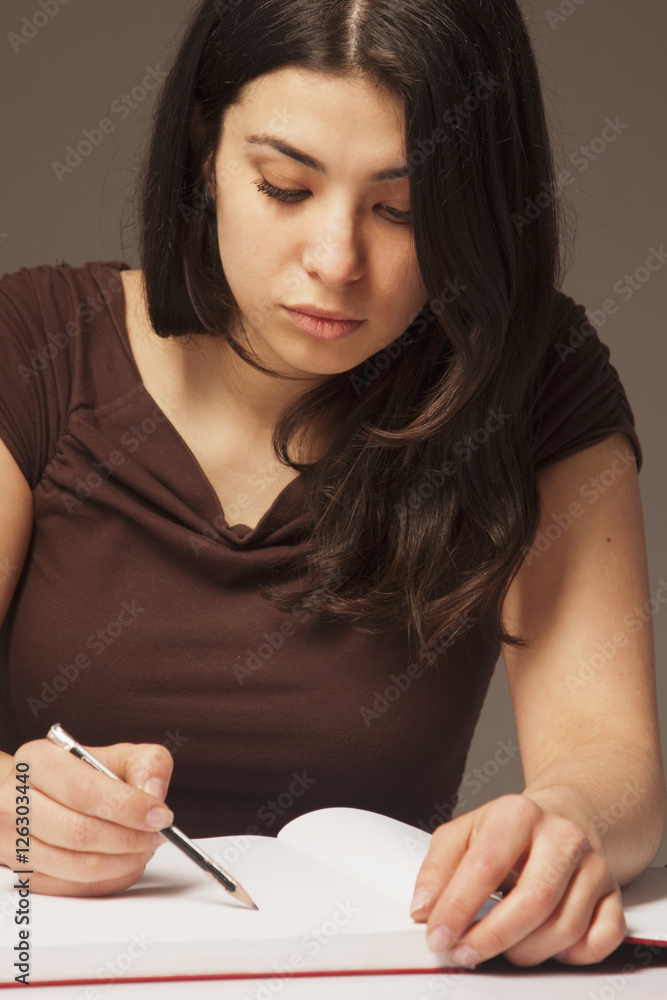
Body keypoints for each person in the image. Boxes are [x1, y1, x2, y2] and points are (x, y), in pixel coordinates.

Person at [0, 0, 664, 971]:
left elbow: (607, 755)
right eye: (282, 186)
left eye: (401, 208)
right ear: (203, 153)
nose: (335, 262)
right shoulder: (31, 346)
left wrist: (565, 824)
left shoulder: (530, 376)